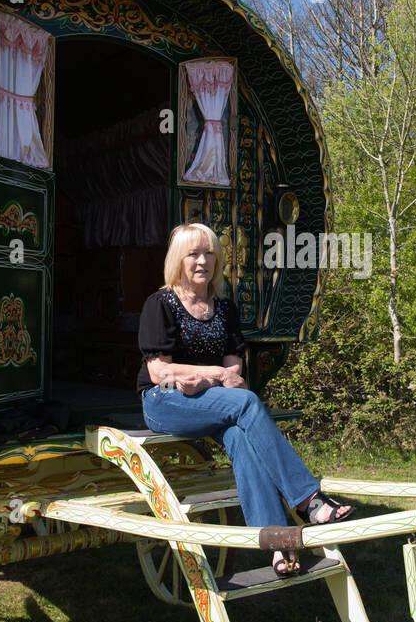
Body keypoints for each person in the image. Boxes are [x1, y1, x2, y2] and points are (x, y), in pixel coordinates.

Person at [136, 222, 352, 576]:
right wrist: (215, 376)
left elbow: (234, 364)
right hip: (164, 402)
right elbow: (161, 371)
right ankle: (309, 500)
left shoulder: (224, 308)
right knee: (249, 403)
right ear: (178, 259)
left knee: (240, 435)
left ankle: (276, 541)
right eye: (193, 254)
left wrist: (212, 379)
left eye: (209, 253)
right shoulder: (159, 304)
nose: (202, 261)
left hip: (210, 399)